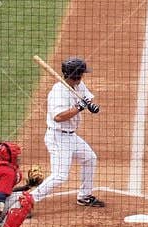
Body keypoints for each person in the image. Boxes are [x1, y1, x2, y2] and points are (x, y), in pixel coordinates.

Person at [29, 56, 106, 208]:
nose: (84, 75)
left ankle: (84, 196)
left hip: (71, 136)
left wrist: (90, 106)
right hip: (58, 137)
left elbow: (86, 99)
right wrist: (79, 107)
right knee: (59, 176)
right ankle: (27, 201)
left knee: (90, 158)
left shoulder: (78, 85)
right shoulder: (58, 92)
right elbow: (58, 117)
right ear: (77, 75)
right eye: (82, 73)